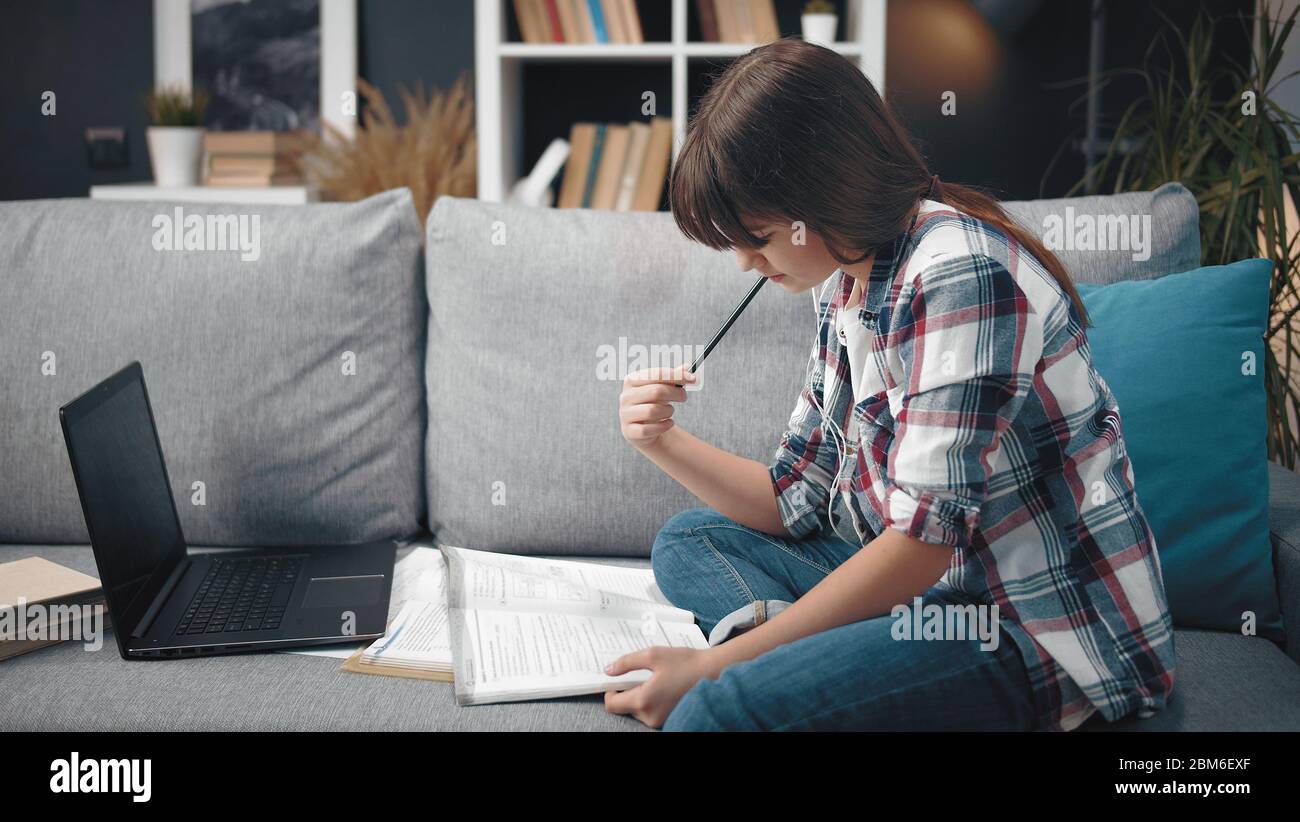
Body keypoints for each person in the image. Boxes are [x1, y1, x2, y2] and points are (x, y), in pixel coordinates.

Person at [605, 37, 1176, 732]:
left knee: (719, 712)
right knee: (689, 541)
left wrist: (718, 667)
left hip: (1023, 626)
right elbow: (796, 497)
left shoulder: (961, 275)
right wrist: (662, 440)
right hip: (921, 592)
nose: (745, 263)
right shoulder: (844, 280)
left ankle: (775, 665)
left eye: (755, 235)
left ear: (823, 190)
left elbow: (922, 543)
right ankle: (810, 662)